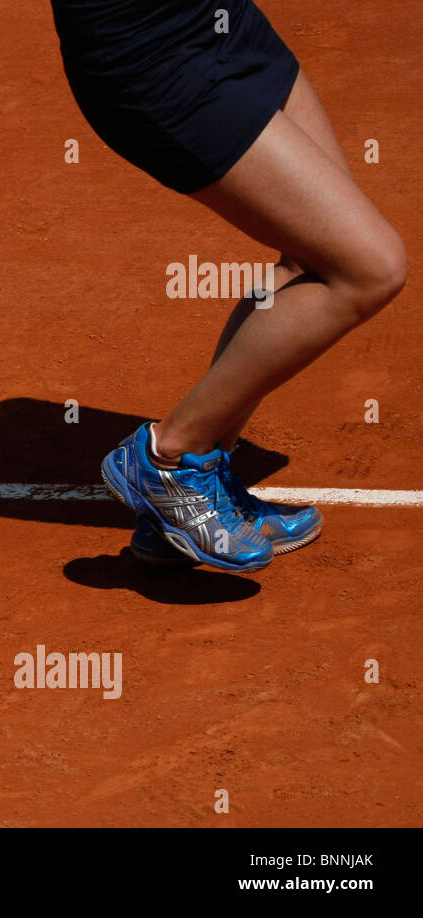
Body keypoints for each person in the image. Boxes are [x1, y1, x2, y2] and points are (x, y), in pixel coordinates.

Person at [51, 0, 408, 571]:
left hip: (223, 21)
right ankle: (169, 457)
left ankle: (191, 492)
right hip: (149, 56)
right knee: (370, 266)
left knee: (314, 255)